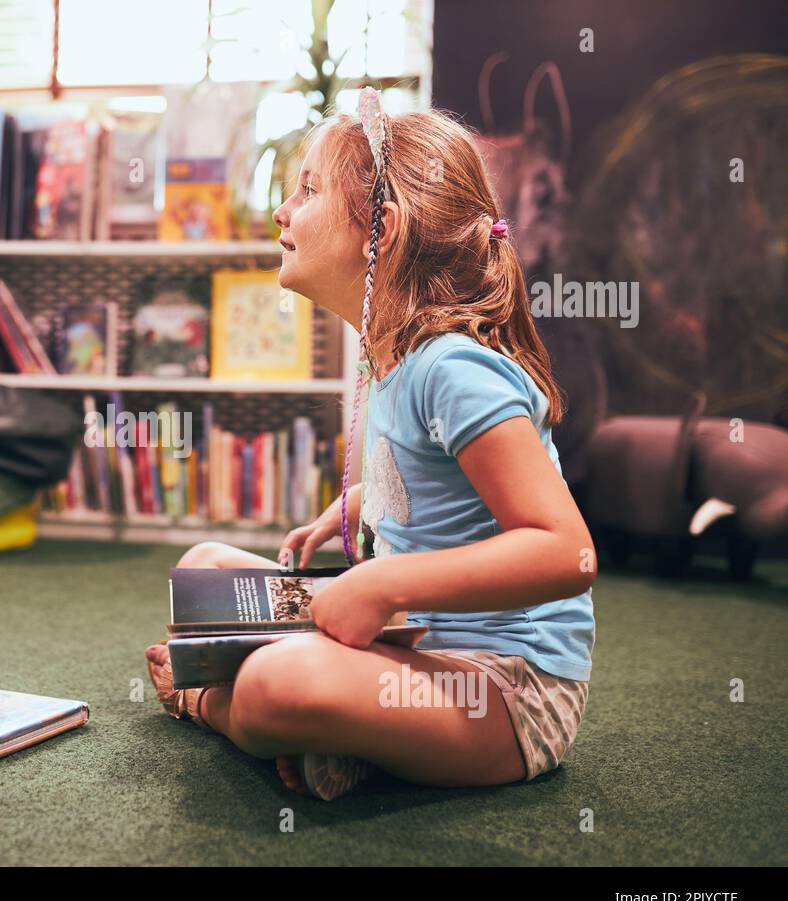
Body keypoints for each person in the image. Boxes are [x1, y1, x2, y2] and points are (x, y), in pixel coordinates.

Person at [146, 93, 595, 800]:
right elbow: (440, 478)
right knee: (204, 568)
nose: (281, 213)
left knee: (276, 681)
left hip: (504, 690)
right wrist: (357, 504)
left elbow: (566, 552)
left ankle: (213, 706)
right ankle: (346, 737)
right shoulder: (388, 354)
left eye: (308, 190)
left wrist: (383, 582)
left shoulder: (453, 368)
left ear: (378, 230)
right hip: (411, 645)